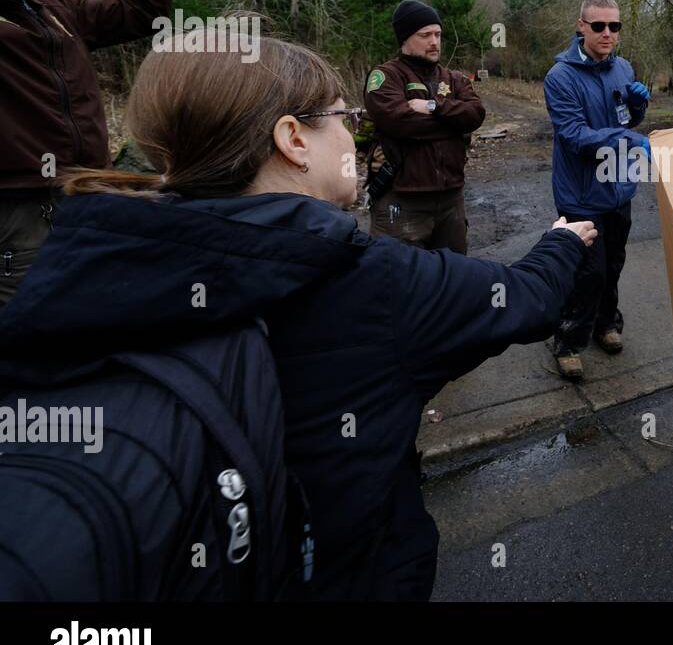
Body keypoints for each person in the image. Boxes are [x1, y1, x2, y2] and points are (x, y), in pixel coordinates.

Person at [0, 34, 595, 600]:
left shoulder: (91, 259)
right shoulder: (373, 281)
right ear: (293, 139)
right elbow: (523, 298)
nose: (355, 141)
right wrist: (563, 240)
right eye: (345, 120)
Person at [0, 0, 173, 305]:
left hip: (89, 186)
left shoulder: (44, 5)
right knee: (28, 319)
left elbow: (141, 15)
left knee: (97, 303)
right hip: (18, 205)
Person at [543, 0, 649, 379]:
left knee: (614, 264)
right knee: (588, 271)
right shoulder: (561, 77)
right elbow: (574, 136)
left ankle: (607, 325)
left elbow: (626, 121)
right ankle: (569, 340)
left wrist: (638, 107)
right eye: (599, 26)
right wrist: (630, 142)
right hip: (581, 192)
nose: (608, 33)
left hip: (618, 187)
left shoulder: (623, 68)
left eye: (615, 26)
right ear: (581, 26)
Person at [364, 0, 485, 253]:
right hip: (402, 200)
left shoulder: (454, 78)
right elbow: (398, 122)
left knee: (454, 278)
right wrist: (455, 124)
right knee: (401, 282)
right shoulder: (386, 76)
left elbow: (475, 114)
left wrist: (434, 107)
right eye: (425, 35)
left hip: (451, 198)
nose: (434, 41)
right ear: (405, 38)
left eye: (438, 34)